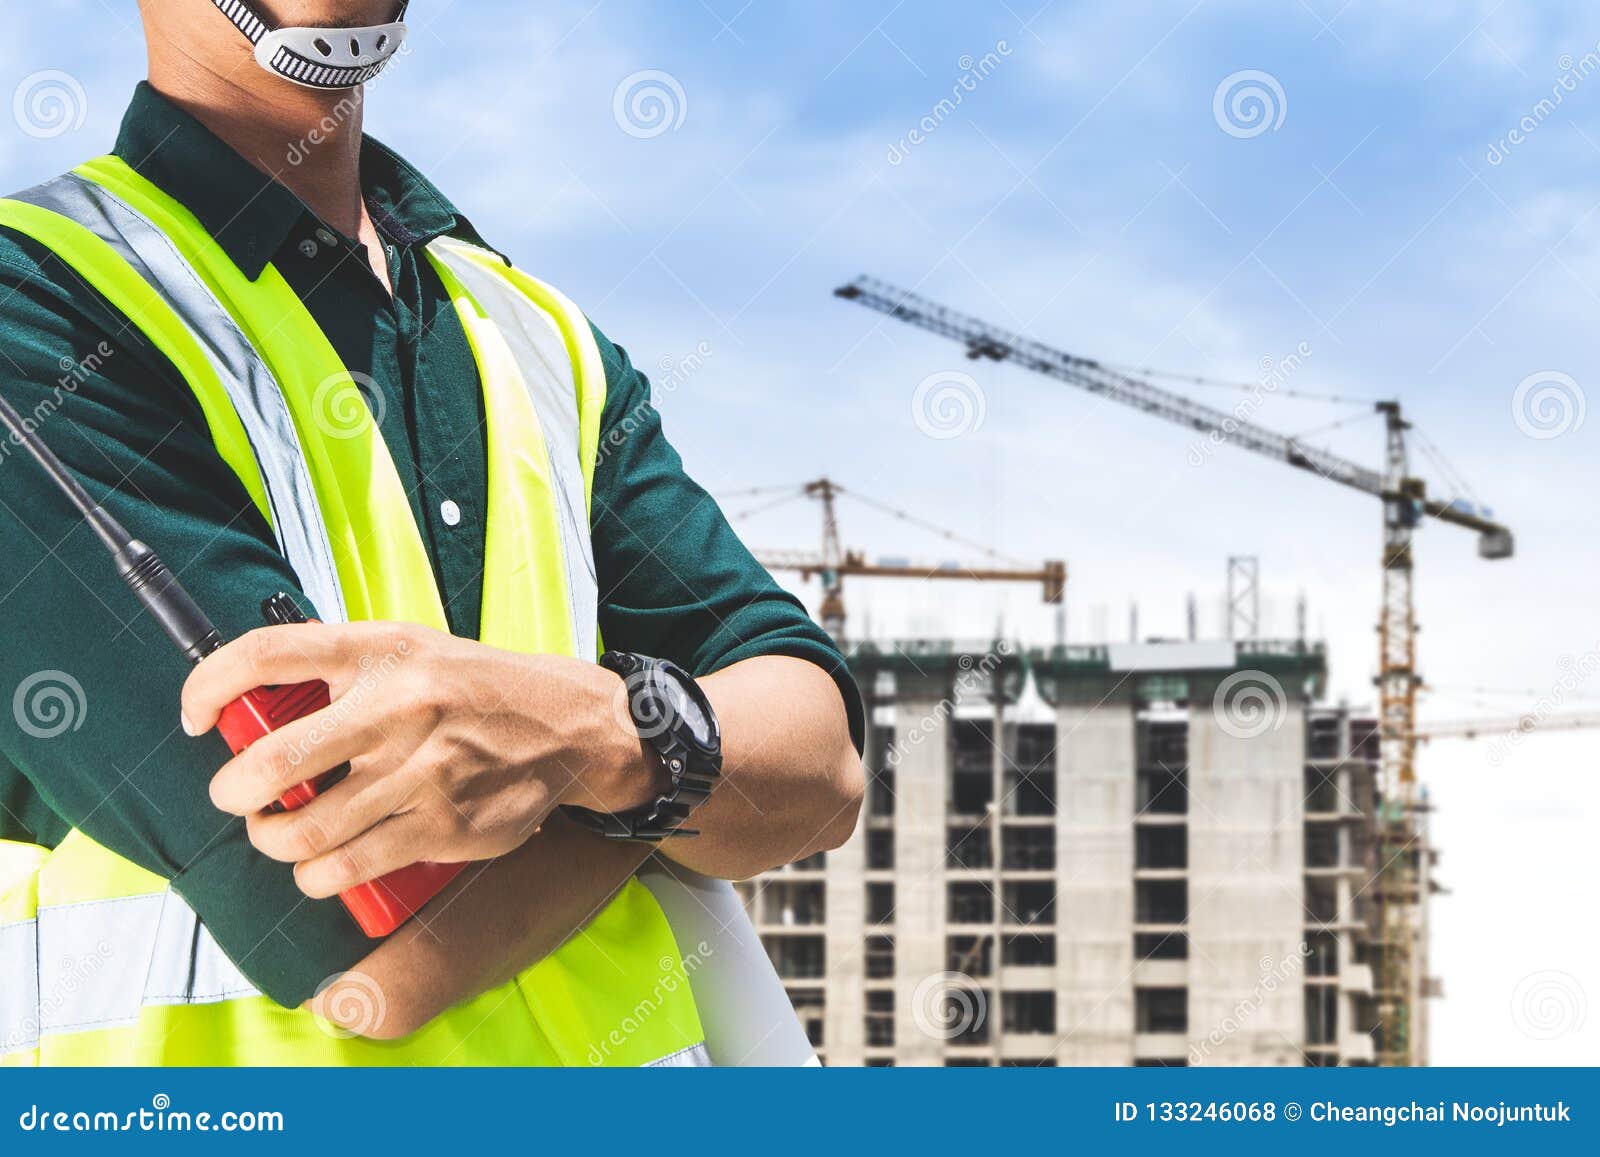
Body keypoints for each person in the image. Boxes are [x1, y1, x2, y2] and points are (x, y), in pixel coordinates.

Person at [0, 0, 864, 1066]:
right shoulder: (36, 308)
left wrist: (593, 733)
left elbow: (822, 764)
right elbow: (373, 946)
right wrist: (671, 769)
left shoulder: (537, 333)